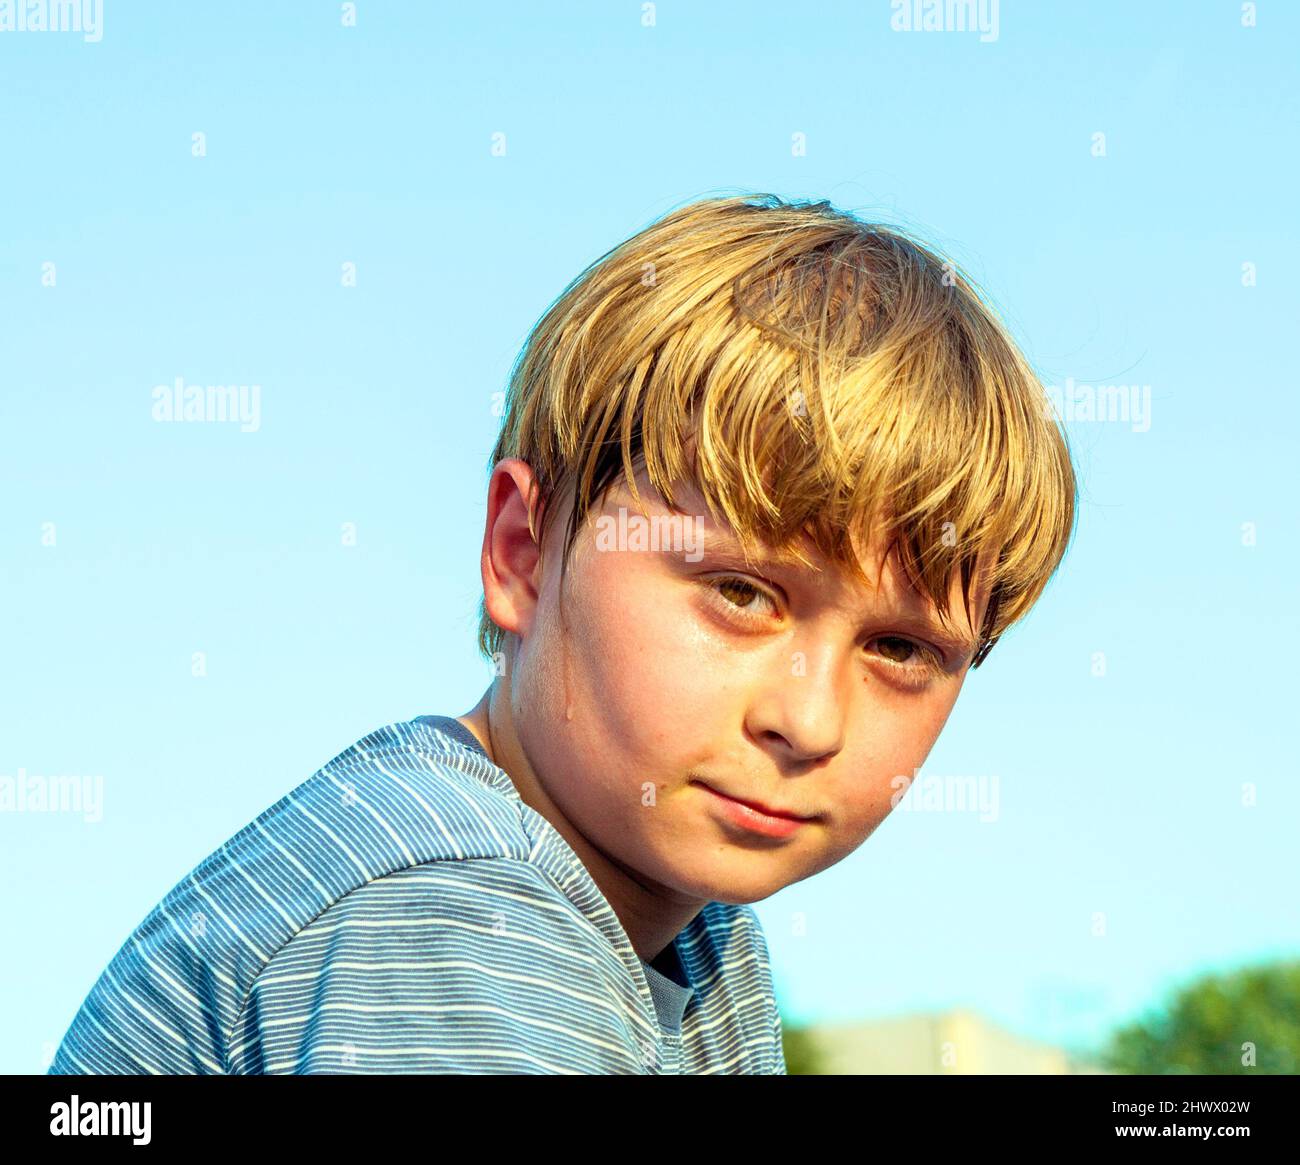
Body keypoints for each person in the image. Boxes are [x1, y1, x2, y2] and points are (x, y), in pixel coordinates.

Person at [48, 192, 1077, 1074]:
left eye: (900, 649)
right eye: (739, 592)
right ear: (523, 552)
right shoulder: (458, 909)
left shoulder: (701, 939)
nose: (807, 719)